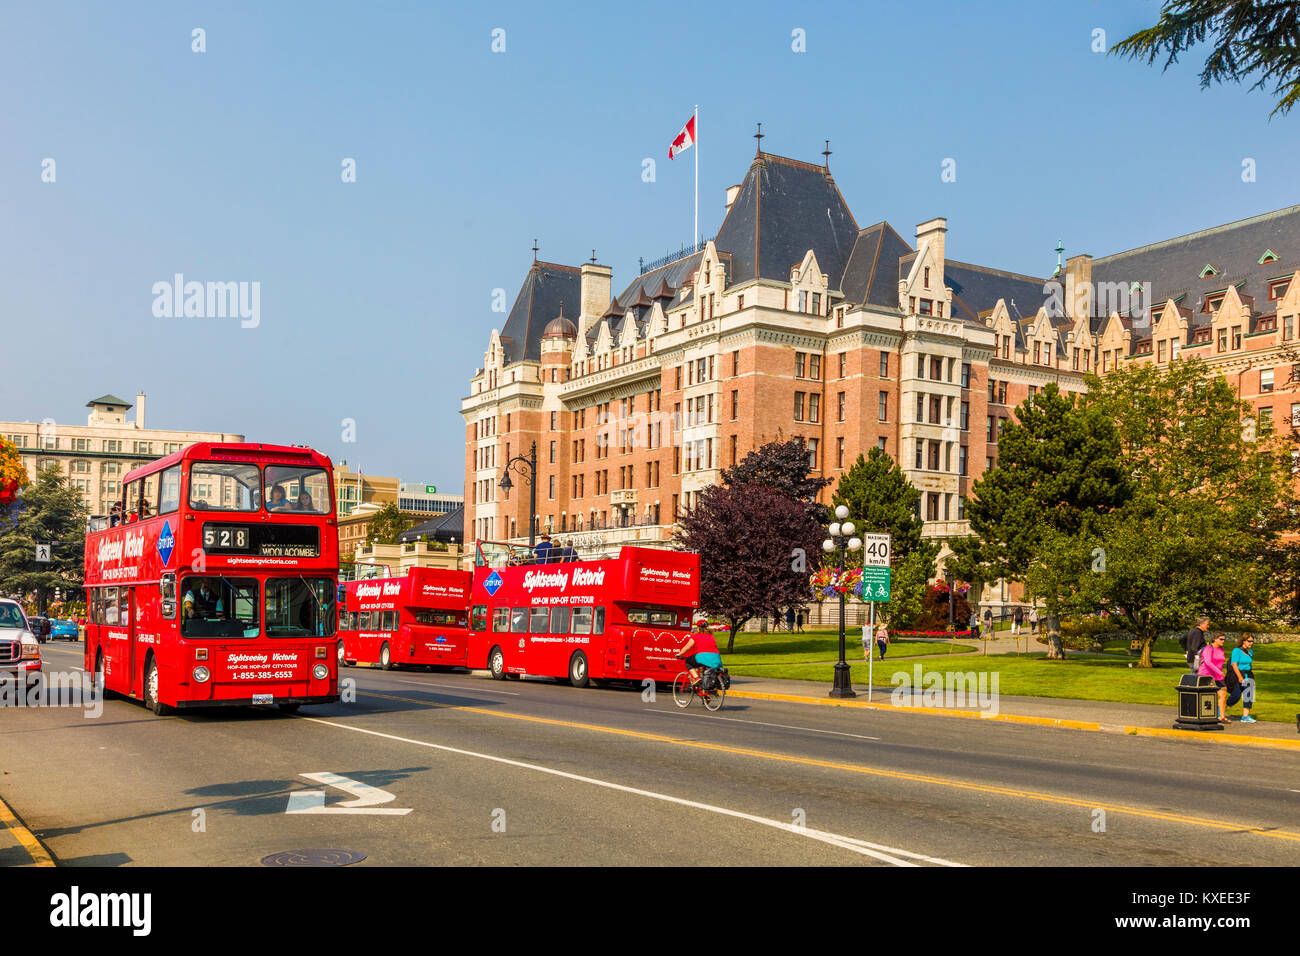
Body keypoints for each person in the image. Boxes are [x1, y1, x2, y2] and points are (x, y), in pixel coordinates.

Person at [676, 614, 722, 688]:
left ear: (698, 628)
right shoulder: (711, 636)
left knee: (688, 662)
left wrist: (679, 654)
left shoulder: (696, 636)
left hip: (703, 657)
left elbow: (687, 647)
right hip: (716, 658)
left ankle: (697, 678)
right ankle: (706, 693)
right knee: (706, 672)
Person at [1197, 632, 1229, 720]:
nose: (1223, 641)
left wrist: (1220, 673)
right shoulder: (1208, 648)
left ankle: (1222, 716)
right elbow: (1208, 662)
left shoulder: (1221, 649)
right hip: (1207, 675)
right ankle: (1205, 715)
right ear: (1215, 639)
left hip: (1218, 676)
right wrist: (1219, 672)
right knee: (1207, 696)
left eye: (1224, 639)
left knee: (1223, 694)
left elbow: (1221, 662)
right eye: (1221, 639)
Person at [1225, 634, 1256, 723]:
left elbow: (1248, 663)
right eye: (1249, 641)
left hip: (1248, 674)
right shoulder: (1236, 651)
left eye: (1252, 641)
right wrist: (1240, 677)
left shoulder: (1250, 651)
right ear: (1243, 641)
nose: (1251, 643)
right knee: (1236, 695)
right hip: (1238, 674)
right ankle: (1221, 709)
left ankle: (1245, 716)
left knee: (1248, 696)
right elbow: (1234, 664)